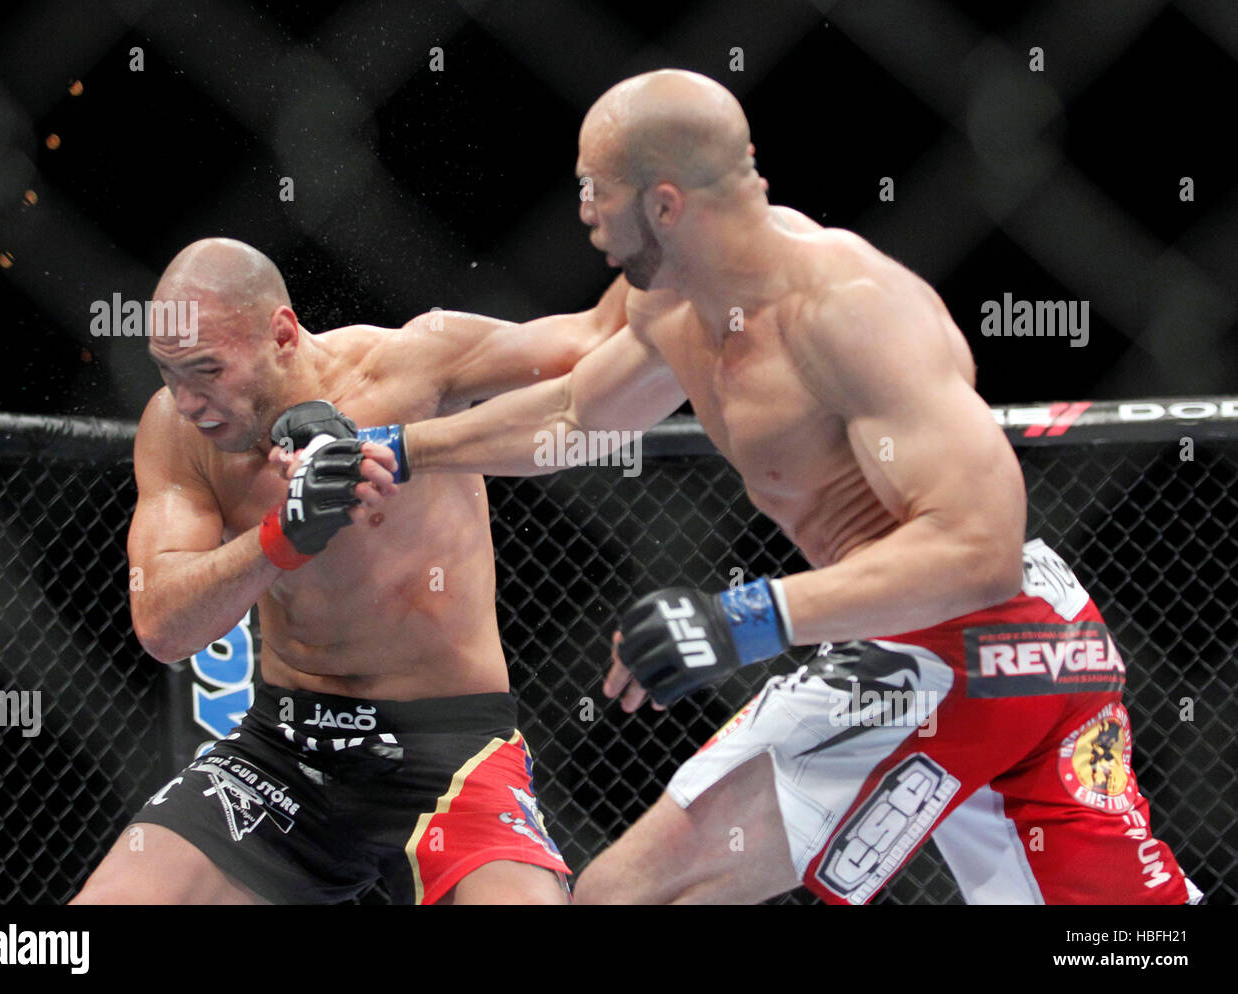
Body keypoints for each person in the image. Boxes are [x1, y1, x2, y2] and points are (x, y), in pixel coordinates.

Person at [339, 70, 1201, 905]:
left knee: (626, 895)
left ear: (664, 204)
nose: (584, 213)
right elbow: (573, 416)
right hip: (998, 646)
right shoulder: (676, 303)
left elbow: (979, 553)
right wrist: (398, 449)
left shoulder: (849, 311)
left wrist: (740, 620)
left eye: (594, 189)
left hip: (964, 642)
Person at [70, 237, 629, 904]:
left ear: (281, 334)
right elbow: (163, 623)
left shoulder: (414, 365)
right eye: (168, 373)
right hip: (283, 753)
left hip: (449, 754)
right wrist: (285, 536)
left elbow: (601, 336)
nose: (187, 400)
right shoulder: (176, 432)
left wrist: (681, 241)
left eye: (206, 369)